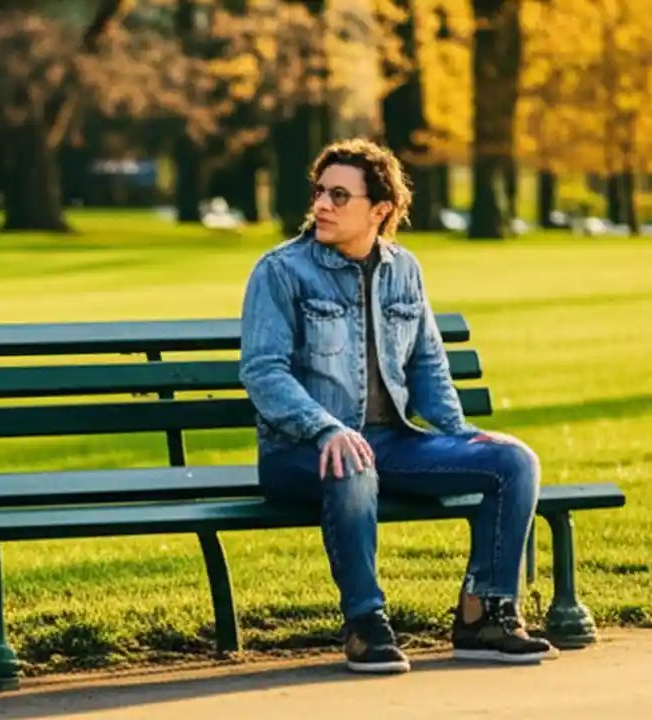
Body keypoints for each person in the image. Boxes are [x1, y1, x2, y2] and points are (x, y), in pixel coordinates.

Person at [239, 138, 557, 674]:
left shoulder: (404, 270)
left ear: (380, 210)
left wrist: (459, 433)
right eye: (320, 191)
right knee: (352, 461)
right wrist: (325, 429)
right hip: (300, 450)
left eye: (340, 196)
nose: (322, 205)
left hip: (391, 441)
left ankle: (485, 615)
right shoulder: (281, 271)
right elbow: (263, 372)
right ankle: (366, 622)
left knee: (513, 461)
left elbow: (428, 363)